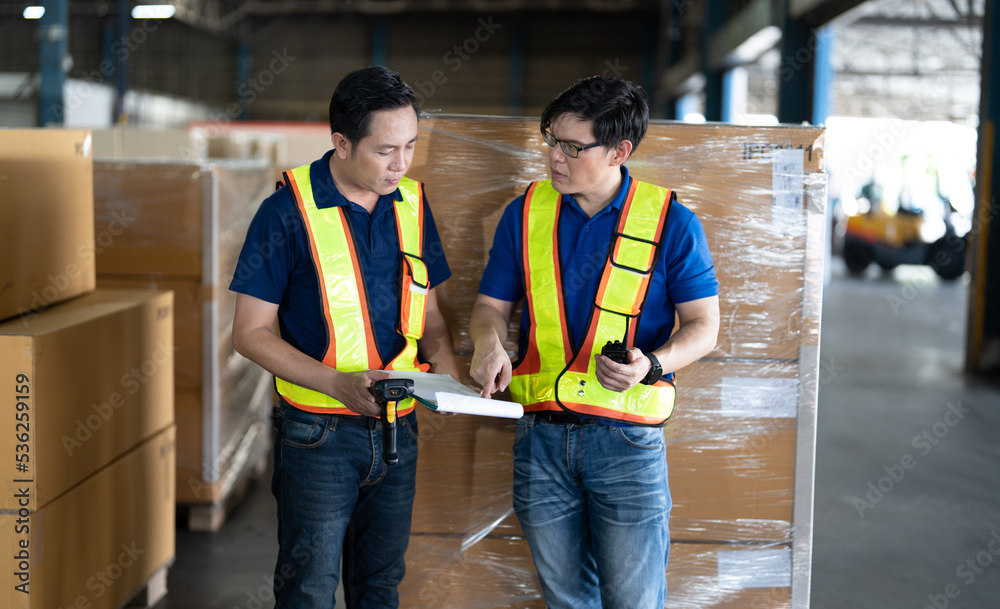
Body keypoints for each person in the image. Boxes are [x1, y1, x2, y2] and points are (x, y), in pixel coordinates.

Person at [468, 76, 719, 608]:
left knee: (632, 602)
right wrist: (487, 344)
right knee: (566, 601)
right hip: (540, 439)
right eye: (551, 141)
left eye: (573, 147)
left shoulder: (671, 222)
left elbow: (704, 326)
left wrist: (651, 363)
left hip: (625, 444)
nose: (555, 157)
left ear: (620, 151)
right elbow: (490, 308)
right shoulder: (526, 213)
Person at [230, 66, 458, 608]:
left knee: (378, 588)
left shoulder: (412, 203)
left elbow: (431, 319)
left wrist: (448, 377)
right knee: (308, 591)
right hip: (318, 436)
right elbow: (249, 333)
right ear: (341, 142)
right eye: (385, 151)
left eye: (410, 146)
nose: (400, 164)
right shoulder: (285, 212)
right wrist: (336, 382)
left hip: (399, 430)